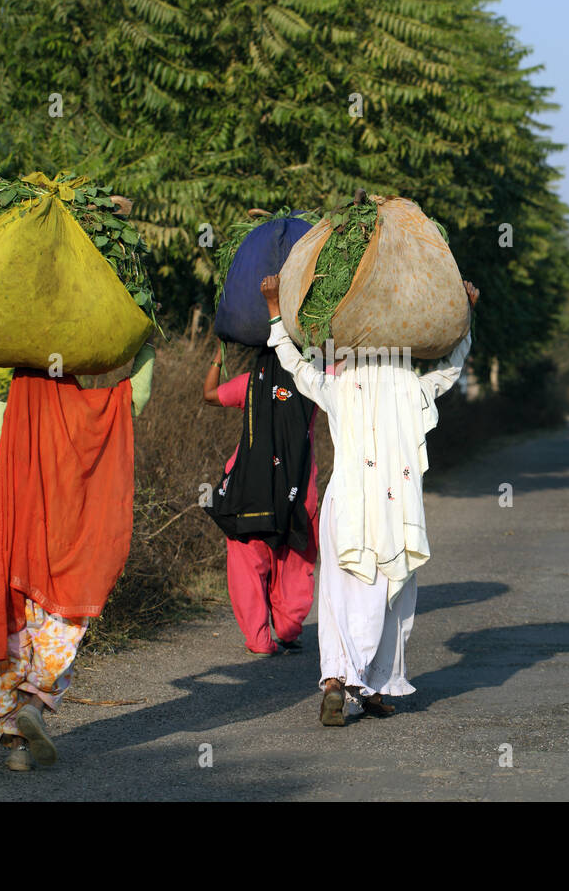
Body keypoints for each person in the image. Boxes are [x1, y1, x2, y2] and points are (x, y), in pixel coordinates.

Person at [260, 274, 478, 726]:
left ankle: (339, 682)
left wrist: (273, 312)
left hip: (349, 506)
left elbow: (295, 365)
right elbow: (450, 369)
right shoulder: (411, 385)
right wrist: (468, 319)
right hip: (397, 509)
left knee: (341, 596)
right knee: (393, 597)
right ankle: (377, 683)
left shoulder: (340, 384)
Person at [0, 341, 156, 771]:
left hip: (3, 556)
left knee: (11, 652)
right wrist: (144, 343)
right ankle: (37, 702)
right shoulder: (85, 414)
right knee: (60, 640)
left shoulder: (0, 419)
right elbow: (137, 394)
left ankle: (15, 744)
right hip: (63, 561)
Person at [202, 346, 318, 656]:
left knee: (247, 563)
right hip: (298, 487)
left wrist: (219, 352)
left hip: (250, 490)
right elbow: (344, 370)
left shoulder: (251, 382)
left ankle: (258, 638)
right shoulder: (313, 380)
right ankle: (290, 627)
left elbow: (210, 394)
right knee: (292, 559)